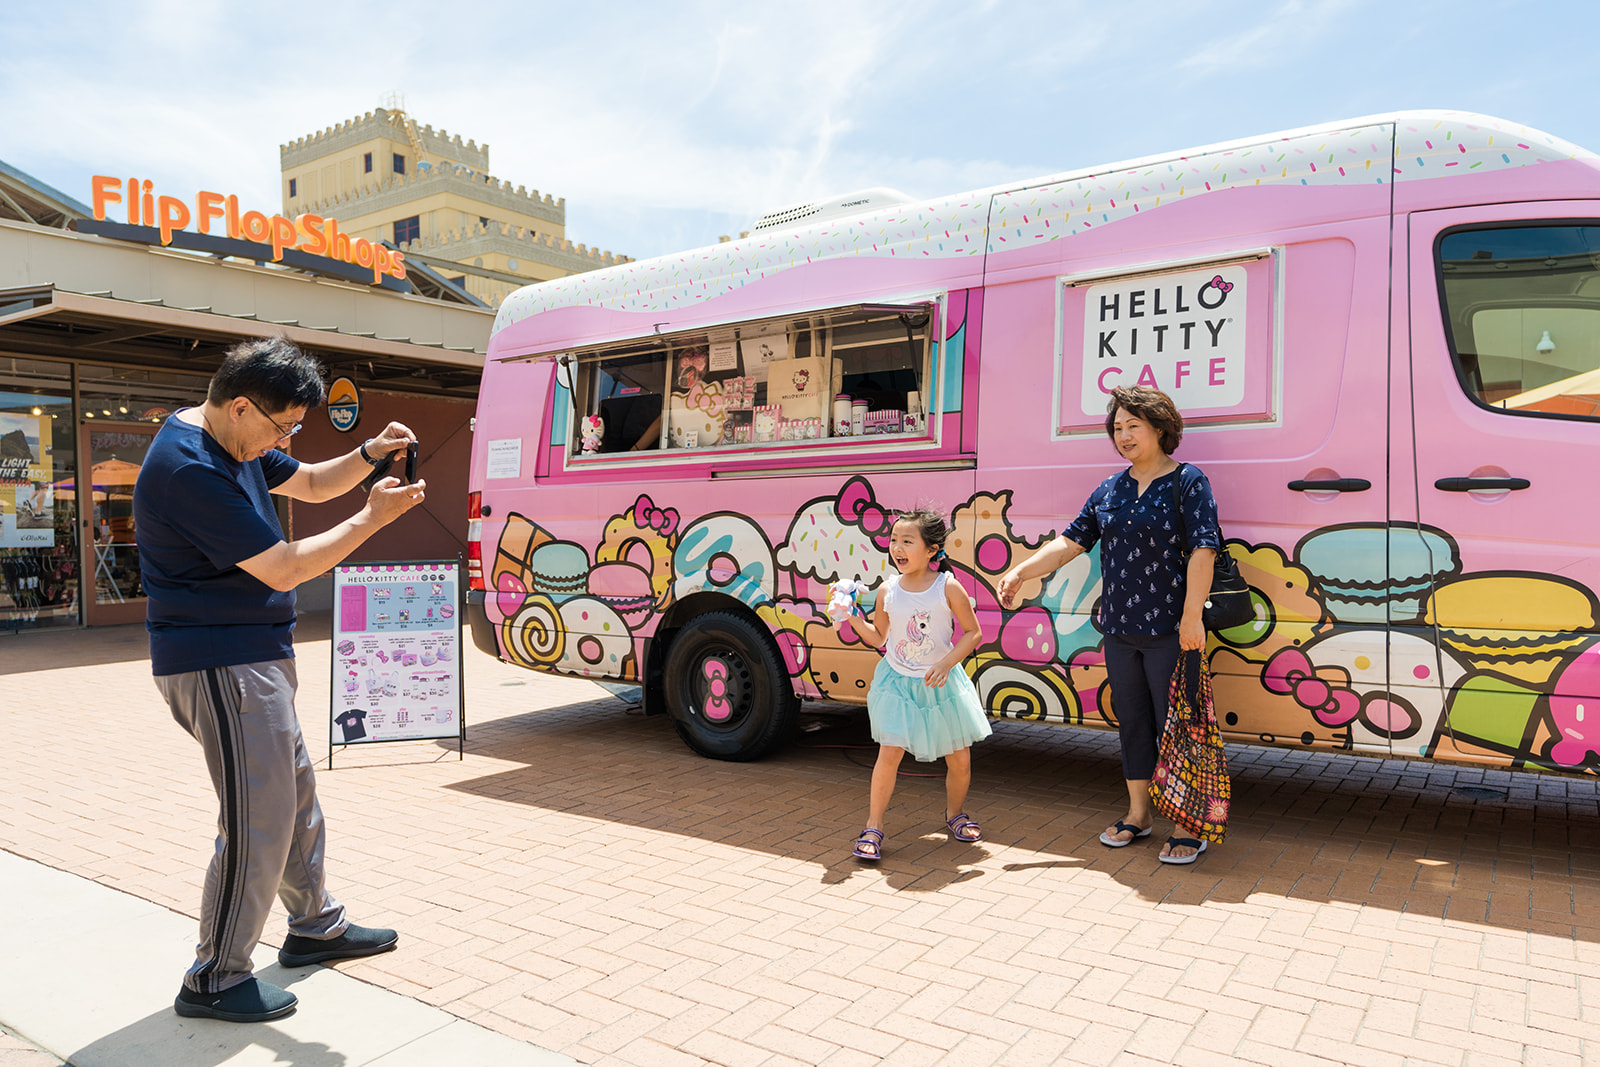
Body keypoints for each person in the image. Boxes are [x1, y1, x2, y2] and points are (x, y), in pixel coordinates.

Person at [133, 337, 426, 1023]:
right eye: (282, 426)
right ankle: (214, 975)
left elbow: (316, 482)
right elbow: (286, 565)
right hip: (218, 661)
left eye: (294, 427)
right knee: (256, 818)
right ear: (241, 406)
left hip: (253, 654)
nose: (287, 438)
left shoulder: (229, 434)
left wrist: (370, 453)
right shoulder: (189, 468)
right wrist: (371, 517)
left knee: (291, 796)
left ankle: (313, 924)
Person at [998, 386, 1221, 865]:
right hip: (1119, 627)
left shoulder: (1188, 481)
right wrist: (1021, 570)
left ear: (1161, 427)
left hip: (1171, 628)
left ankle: (1187, 823)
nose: (1123, 435)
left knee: (1178, 726)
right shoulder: (1109, 489)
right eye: (1117, 428)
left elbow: (1205, 548)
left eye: (1132, 426)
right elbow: (1071, 542)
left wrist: (1191, 617)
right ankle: (1139, 814)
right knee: (1134, 723)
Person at [840, 509, 991, 862]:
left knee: (960, 760)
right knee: (889, 754)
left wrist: (945, 662)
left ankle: (954, 815)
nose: (897, 548)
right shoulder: (887, 590)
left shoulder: (947, 586)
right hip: (897, 682)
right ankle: (873, 826)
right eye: (894, 540)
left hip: (940, 684)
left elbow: (974, 633)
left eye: (908, 541)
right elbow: (879, 636)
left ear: (932, 549)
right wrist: (851, 617)